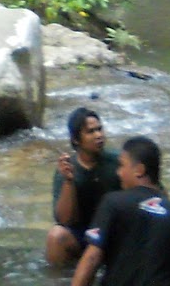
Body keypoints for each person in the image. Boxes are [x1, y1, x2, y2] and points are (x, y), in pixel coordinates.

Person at [72, 137, 170, 286]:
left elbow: (91, 259)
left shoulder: (113, 203)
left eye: (122, 166)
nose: (118, 173)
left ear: (139, 170)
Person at [49, 107, 122, 266]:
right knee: (56, 236)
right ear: (76, 139)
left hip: (115, 233)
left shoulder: (118, 162)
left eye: (100, 129)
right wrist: (69, 181)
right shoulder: (67, 169)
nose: (99, 135)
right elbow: (64, 220)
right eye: (91, 132)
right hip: (82, 234)